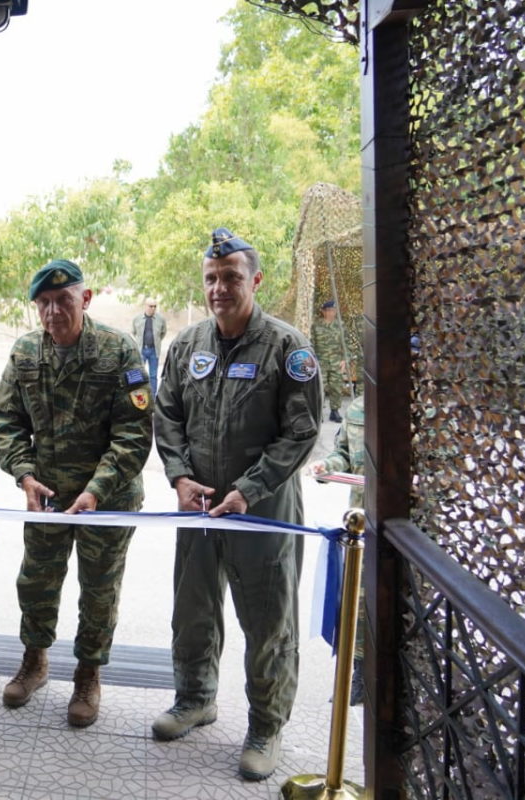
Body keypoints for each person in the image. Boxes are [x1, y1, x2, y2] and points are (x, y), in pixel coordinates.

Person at [152, 228, 323, 781]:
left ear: (255, 280)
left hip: (263, 511)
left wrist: (248, 488)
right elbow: (167, 415)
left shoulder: (287, 347)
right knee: (193, 611)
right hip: (199, 507)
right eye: (211, 278)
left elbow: (301, 433)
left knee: (268, 622)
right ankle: (195, 699)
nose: (219, 288)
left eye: (230, 277)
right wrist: (179, 476)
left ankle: (266, 726)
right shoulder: (187, 345)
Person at [0, 259, 153, 727]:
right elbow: (7, 424)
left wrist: (96, 490)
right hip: (45, 496)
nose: (53, 311)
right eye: (43, 302)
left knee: (99, 590)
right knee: (36, 582)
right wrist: (24, 475)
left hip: (108, 498)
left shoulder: (117, 350)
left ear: (85, 299)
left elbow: (134, 434)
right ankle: (35, 661)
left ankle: (88, 674)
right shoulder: (24, 354)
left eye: (63, 300)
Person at [307, 391, 366, 706]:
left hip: (410, 529)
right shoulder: (358, 408)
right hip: (362, 526)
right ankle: (358, 676)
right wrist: (327, 466)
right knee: (357, 603)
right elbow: (344, 451)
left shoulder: (421, 407)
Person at [311, 299, 347, 422]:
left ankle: (335, 412)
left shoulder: (340, 326)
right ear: (323, 312)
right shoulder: (316, 326)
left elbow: (346, 345)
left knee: (336, 387)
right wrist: (313, 361)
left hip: (336, 362)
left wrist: (344, 360)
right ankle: (318, 412)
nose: (332, 313)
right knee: (320, 387)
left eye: (334, 310)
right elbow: (311, 345)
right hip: (321, 362)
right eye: (329, 311)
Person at [130, 297, 167, 394]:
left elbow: (163, 333)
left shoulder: (161, 319)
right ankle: (139, 395)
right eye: (151, 306)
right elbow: (134, 332)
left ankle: (153, 398)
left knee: (153, 376)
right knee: (139, 374)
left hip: (154, 351)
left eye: (155, 306)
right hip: (141, 350)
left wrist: (156, 342)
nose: (153, 308)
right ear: (145, 306)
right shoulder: (137, 319)